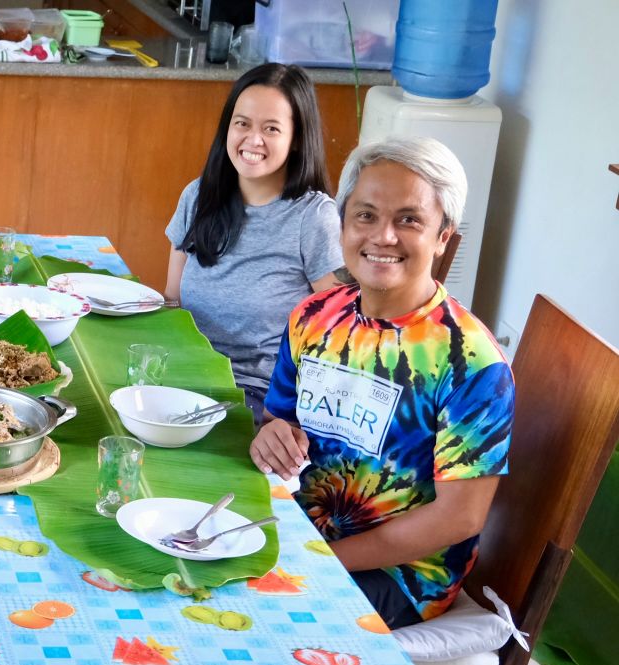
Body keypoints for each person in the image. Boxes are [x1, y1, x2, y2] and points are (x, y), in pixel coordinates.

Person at [251, 136, 514, 629]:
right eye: (366, 215)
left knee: (241, 614)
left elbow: (460, 518)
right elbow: (279, 417)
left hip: (398, 575)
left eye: (409, 219)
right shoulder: (312, 316)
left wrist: (321, 558)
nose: (383, 236)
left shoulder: (472, 365)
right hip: (297, 532)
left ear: (443, 237)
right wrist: (271, 436)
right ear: (344, 223)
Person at [165, 62, 344, 419]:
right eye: (242, 123)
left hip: (257, 398)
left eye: (272, 128)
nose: (253, 139)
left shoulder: (313, 216)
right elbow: (172, 302)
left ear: (296, 140)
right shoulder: (198, 195)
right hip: (181, 378)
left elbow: (334, 336)